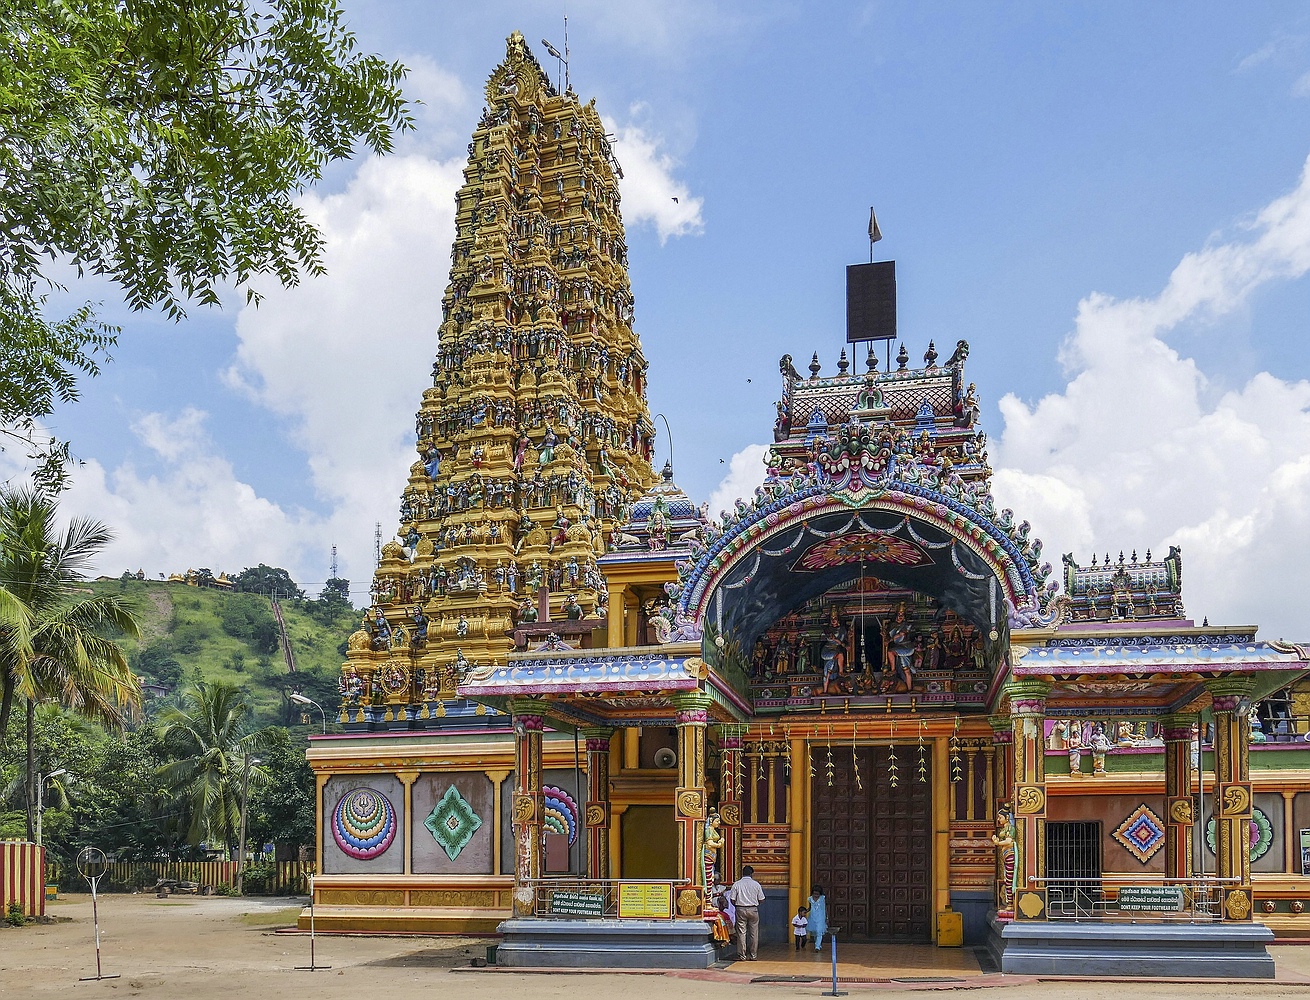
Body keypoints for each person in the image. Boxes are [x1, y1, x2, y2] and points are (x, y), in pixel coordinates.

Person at [729, 864, 766, 961]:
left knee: (741, 933)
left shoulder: (737, 884)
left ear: (742, 873)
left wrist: (738, 905)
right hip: (753, 909)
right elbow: (762, 899)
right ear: (752, 874)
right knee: (754, 933)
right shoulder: (756, 884)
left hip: (740, 909)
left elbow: (732, 899)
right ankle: (753, 955)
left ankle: (742, 955)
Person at [807, 885, 827, 951]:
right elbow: (810, 907)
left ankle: (817, 947)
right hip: (812, 916)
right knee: (815, 931)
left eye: (817, 894)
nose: (816, 895)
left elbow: (825, 908)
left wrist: (826, 917)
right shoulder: (810, 899)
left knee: (819, 931)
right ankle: (818, 944)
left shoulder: (822, 898)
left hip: (820, 916)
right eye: (814, 894)